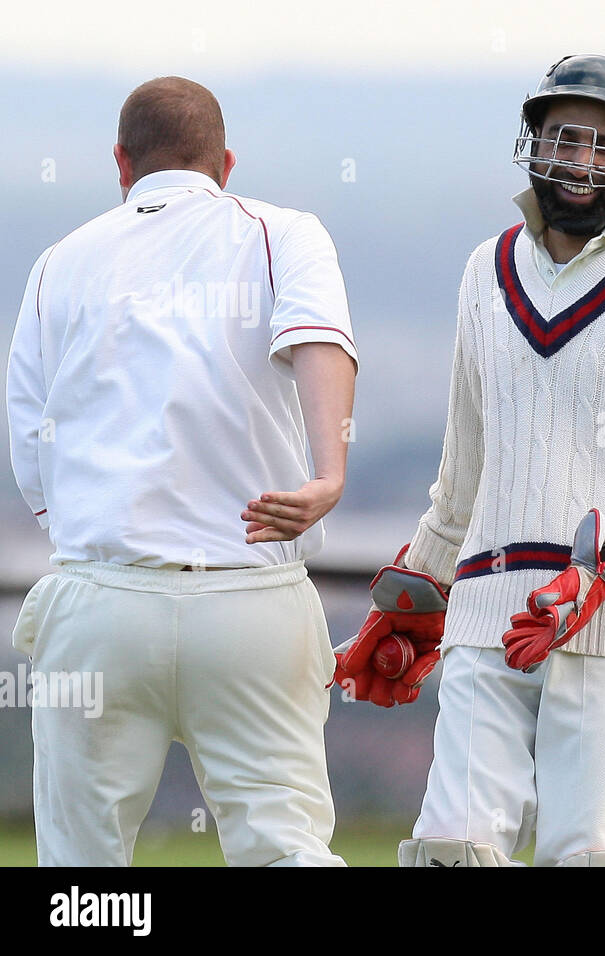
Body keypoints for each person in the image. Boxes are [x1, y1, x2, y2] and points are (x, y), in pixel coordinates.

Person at [333, 54, 605, 867]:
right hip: (488, 615)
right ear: (534, 144)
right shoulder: (483, 274)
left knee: (589, 855)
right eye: (566, 138)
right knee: (448, 850)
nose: (583, 161)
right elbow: (461, 479)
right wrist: (417, 589)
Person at [6, 76, 357, 866]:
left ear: (120, 163)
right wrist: (329, 474)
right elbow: (319, 337)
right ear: (225, 163)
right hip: (250, 598)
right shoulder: (284, 231)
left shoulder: (58, 262)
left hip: (98, 602)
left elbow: (30, 435)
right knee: (283, 850)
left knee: (82, 871)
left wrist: (96, 540)